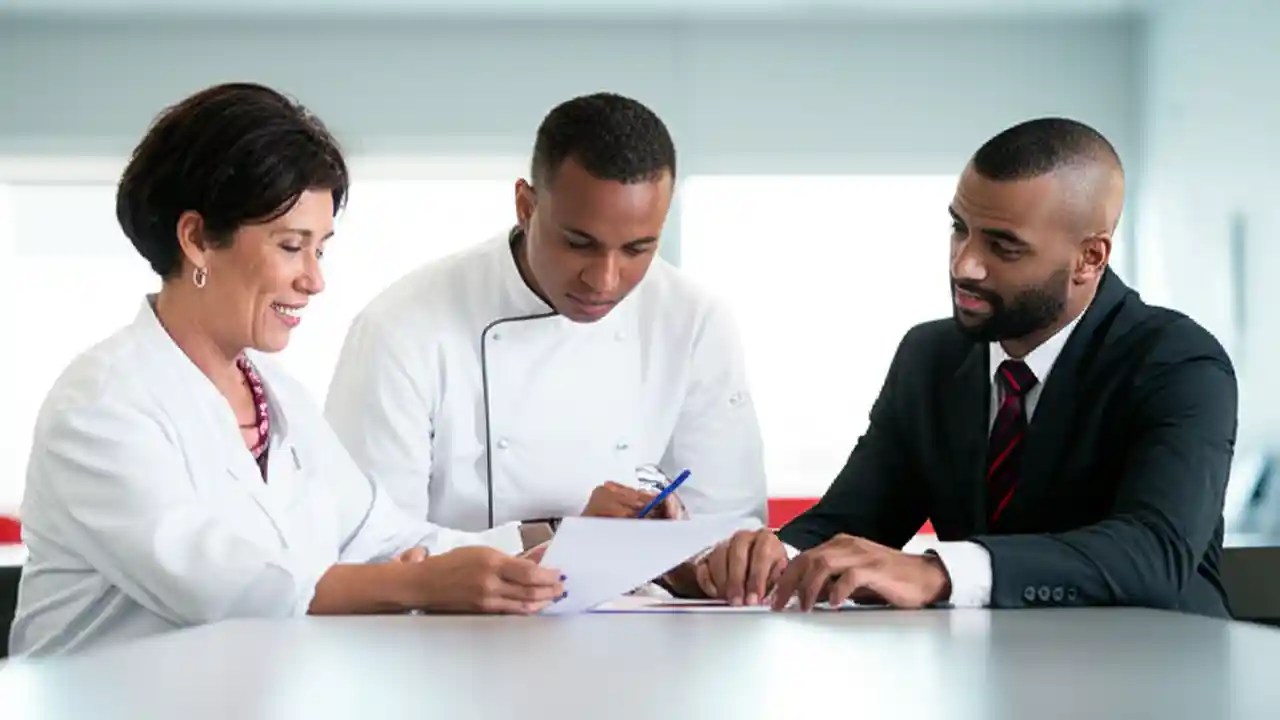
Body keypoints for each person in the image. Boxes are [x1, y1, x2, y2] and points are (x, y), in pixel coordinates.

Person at [10, 83, 563, 657]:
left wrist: (540, 552)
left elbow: (378, 535)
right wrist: (417, 584)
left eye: (320, 249)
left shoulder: (278, 399)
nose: (313, 280)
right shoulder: (101, 403)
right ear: (197, 239)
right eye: (291, 246)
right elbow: (217, 585)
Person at [694, 117, 1237, 617]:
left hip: (1155, 674)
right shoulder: (931, 356)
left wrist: (939, 571)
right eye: (960, 229)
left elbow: (1154, 552)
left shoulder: (1178, 361)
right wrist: (772, 555)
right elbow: (853, 520)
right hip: (987, 677)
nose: (964, 265)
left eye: (1003, 246)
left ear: (1089, 258)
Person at [324, 92, 766, 559]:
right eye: (579, 244)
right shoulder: (401, 329)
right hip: (448, 628)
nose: (604, 280)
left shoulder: (693, 322)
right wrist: (556, 537)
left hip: (636, 622)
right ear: (525, 205)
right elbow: (368, 547)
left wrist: (708, 558)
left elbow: (726, 531)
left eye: (637, 249)